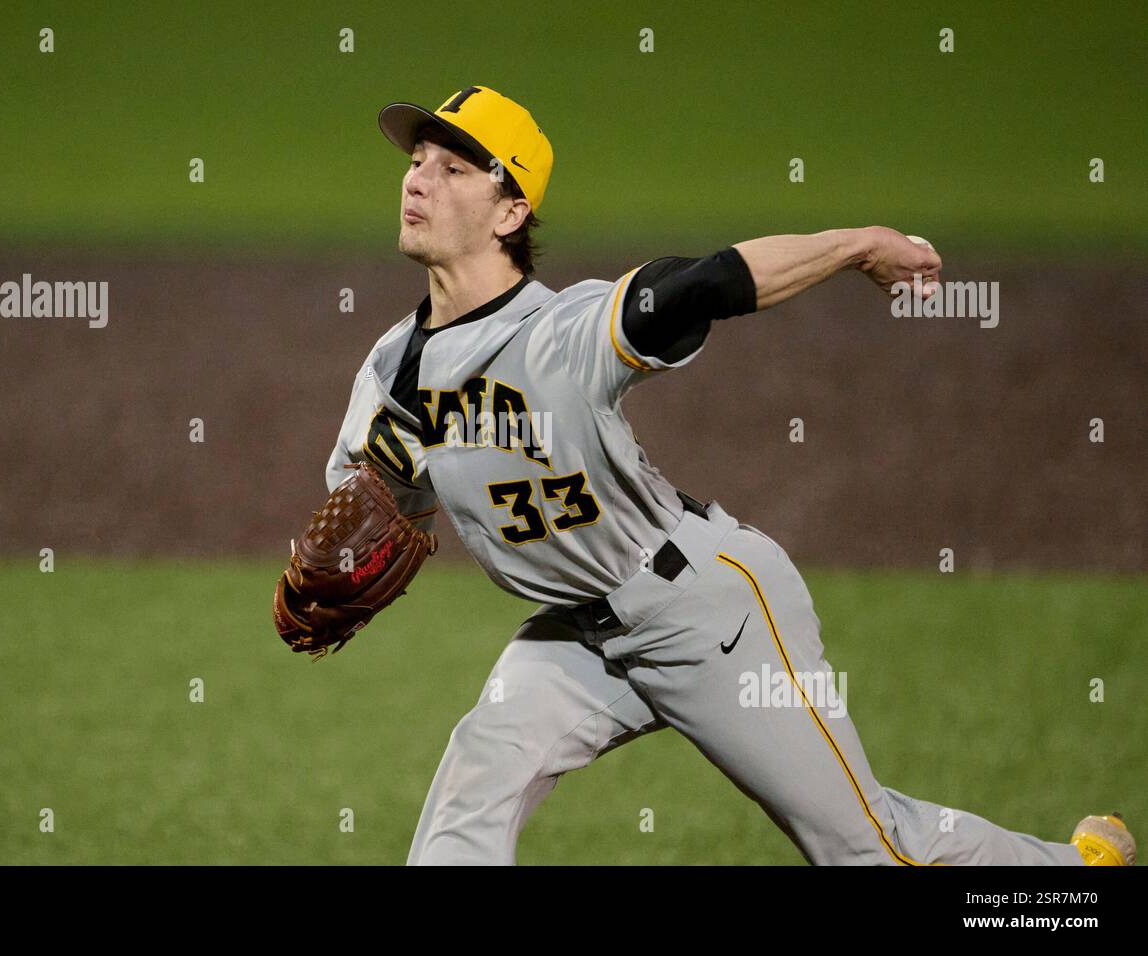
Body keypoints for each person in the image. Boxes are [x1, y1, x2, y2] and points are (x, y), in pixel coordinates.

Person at [323, 84, 1134, 866]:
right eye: (418, 159)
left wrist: (855, 245)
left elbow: (711, 279)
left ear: (510, 210)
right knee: (474, 784)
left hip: (703, 612)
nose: (418, 177)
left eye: (452, 167)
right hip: (575, 634)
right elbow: (374, 509)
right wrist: (352, 554)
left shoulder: (563, 333)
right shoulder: (389, 369)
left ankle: (1076, 872)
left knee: (867, 851)